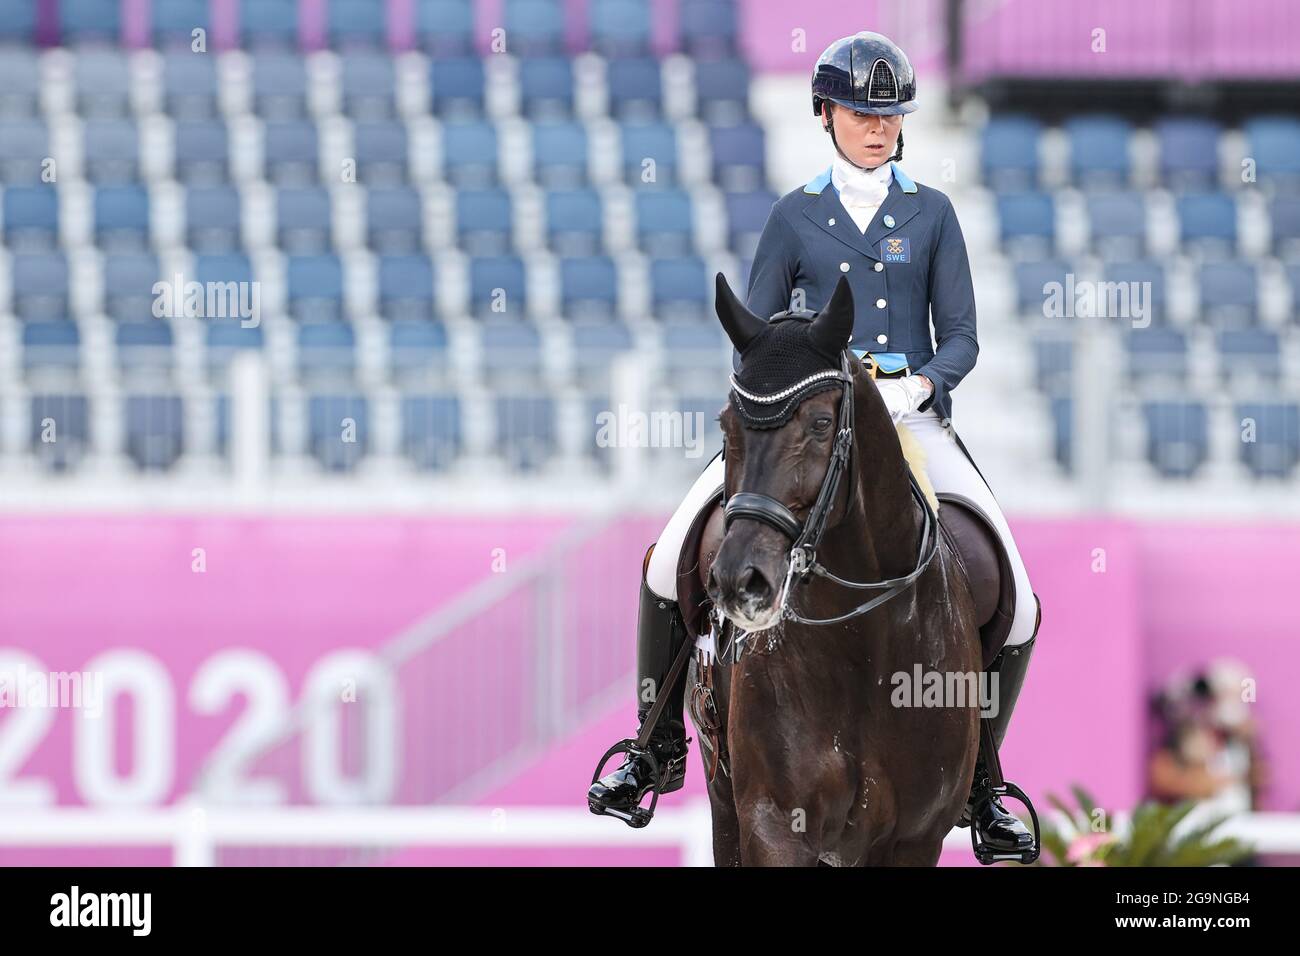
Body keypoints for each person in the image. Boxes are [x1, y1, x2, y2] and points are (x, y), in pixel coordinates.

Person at [588, 31, 1041, 854]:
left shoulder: (932, 214)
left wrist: (921, 385)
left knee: (1020, 597)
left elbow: (964, 337)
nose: (880, 126)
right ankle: (652, 750)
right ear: (826, 113)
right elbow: (756, 334)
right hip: (805, 422)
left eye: (891, 111)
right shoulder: (794, 216)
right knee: (666, 561)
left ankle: (983, 783)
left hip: (907, 420)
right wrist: (802, 376)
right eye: (864, 111)